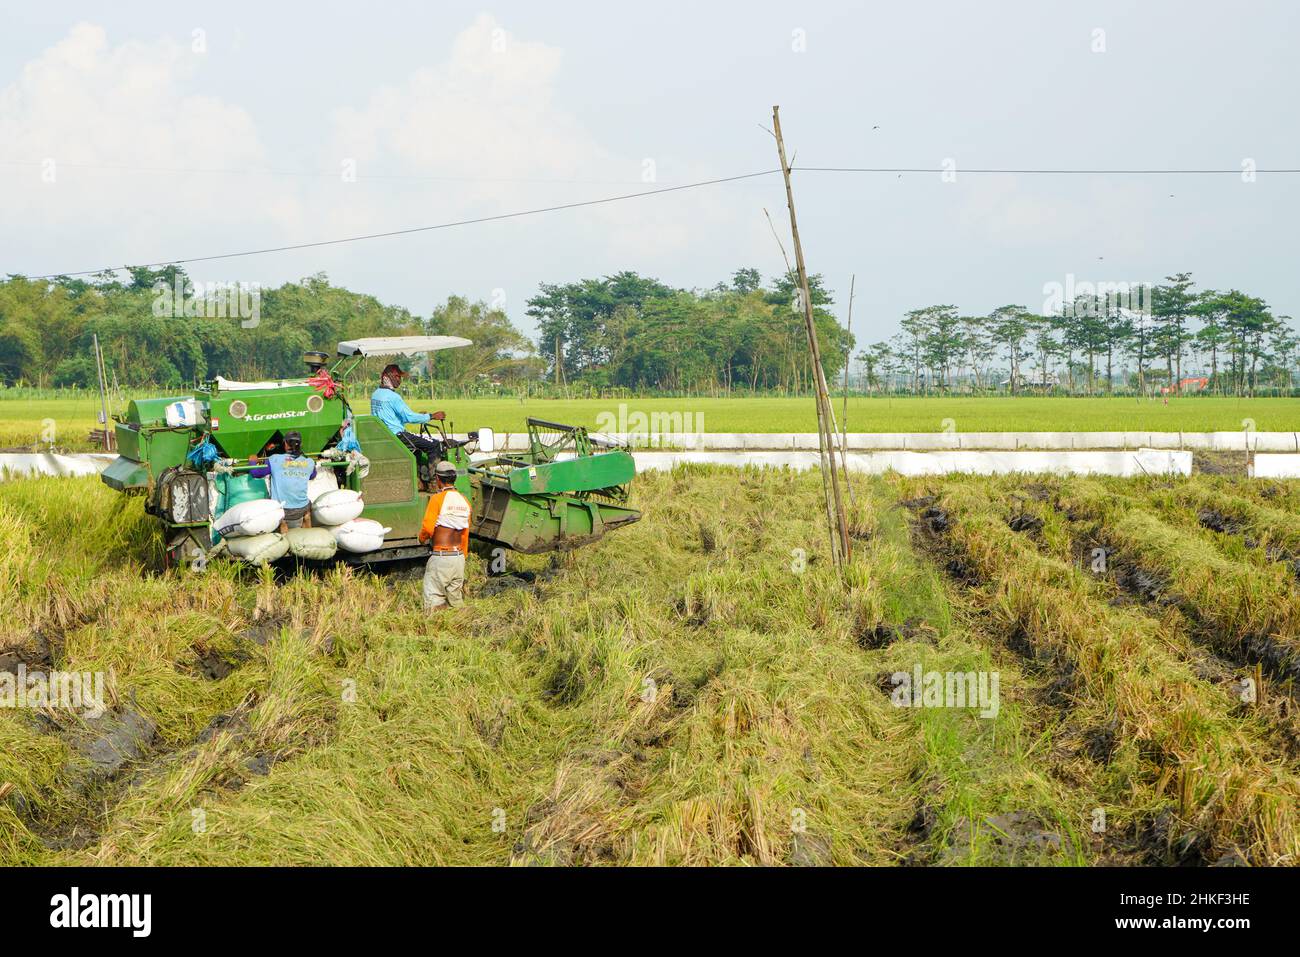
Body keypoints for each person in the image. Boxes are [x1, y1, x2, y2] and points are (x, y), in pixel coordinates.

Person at [370, 364, 446, 472]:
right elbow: (409, 417)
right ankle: (433, 480)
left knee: (417, 450)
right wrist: (431, 416)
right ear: (387, 377)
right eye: (397, 376)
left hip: (385, 434)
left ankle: (418, 479)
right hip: (397, 435)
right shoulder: (393, 397)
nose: (399, 380)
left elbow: (389, 416)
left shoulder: (376, 394)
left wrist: (420, 416)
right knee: (434, 445)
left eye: (400, 377)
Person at [417, 459, 472, 611]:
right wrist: (463, 556)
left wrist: (421, 539)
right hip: (459, 558)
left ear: (438, 479)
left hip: (442, 557)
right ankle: (461, 626)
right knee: (456, 601)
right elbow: (465, 533)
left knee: (433, 597)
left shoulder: (437, 499)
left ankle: (435, 629)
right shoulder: (465, 501)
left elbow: (428, 528)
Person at [248, 430, 317, 532]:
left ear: (285, 443)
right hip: (302, 509)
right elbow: (313, 475)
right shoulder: (309, 462)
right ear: (300, 444)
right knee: (308, 504)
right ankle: (307, 518)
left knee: (275, 506)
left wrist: (252, 461)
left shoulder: (274, 459)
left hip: (282, 510)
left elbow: (256, 473)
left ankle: (282, 523)